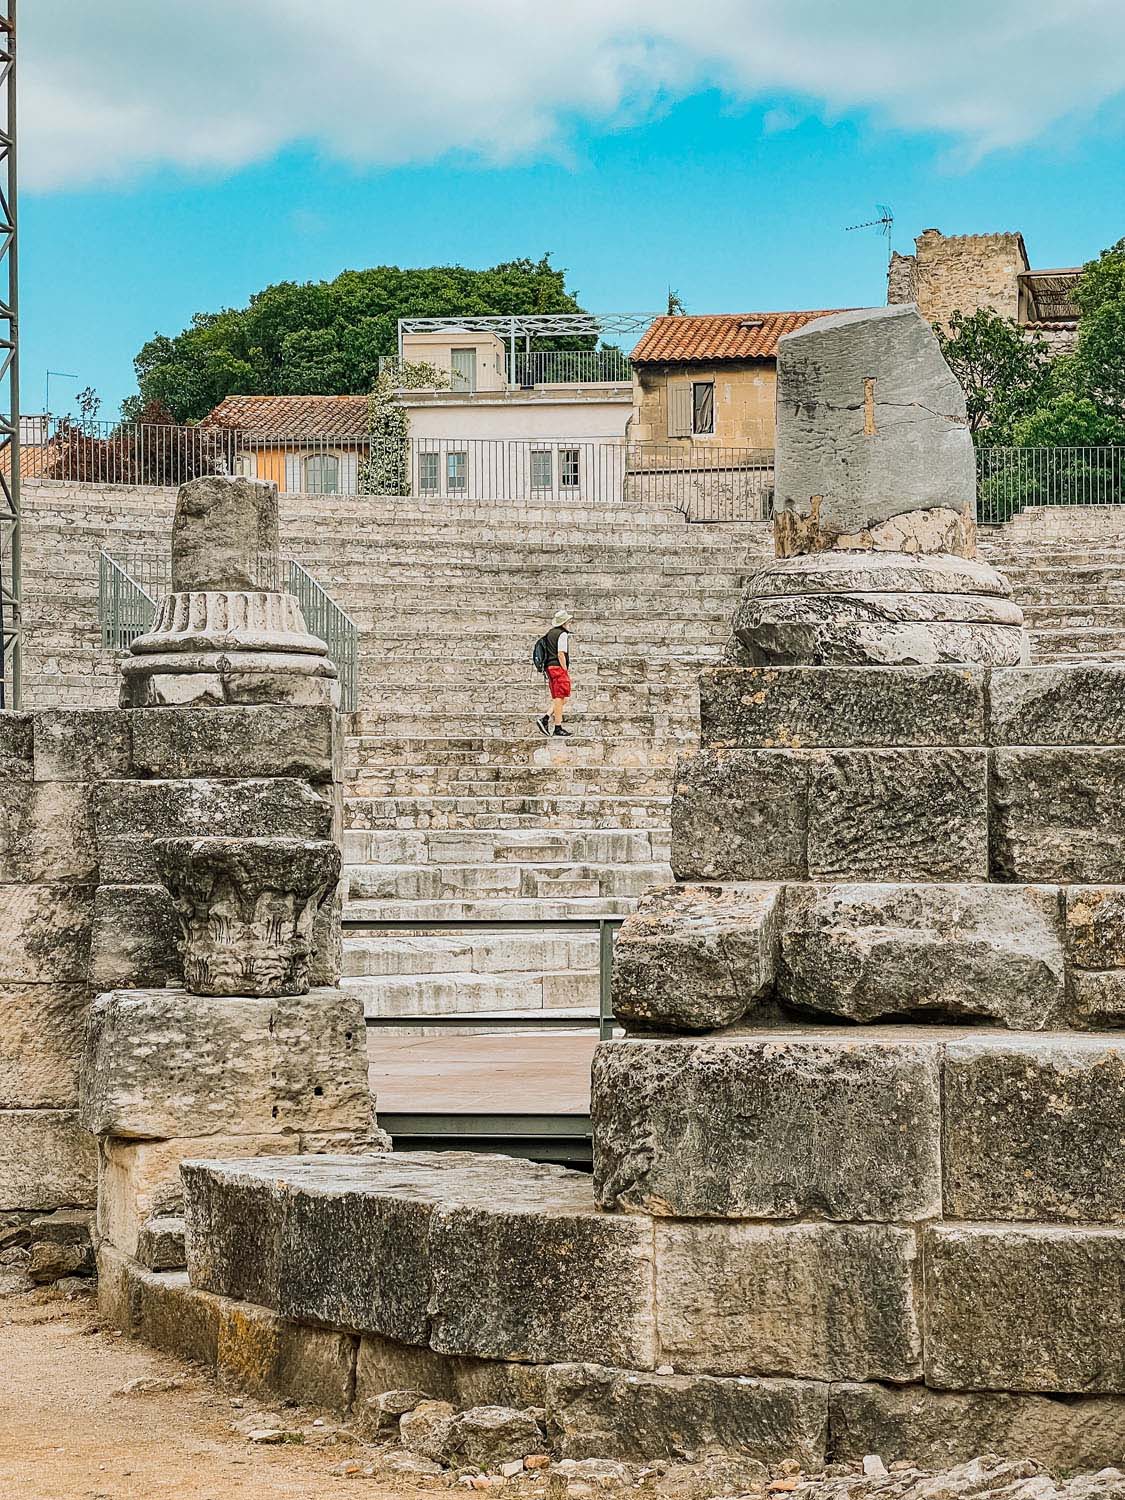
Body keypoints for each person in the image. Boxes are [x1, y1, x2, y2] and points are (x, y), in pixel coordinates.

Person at [537, 609, 573, 737]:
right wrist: (564, 670)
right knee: (560, 697)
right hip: (557, 667)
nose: (570, 623)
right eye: (568, 621)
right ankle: (558, 727)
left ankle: (546, 718)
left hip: (549, 667)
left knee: (562, 697)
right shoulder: (562, 634)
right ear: (564, 623)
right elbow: (561, 653)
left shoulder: (550, 633)